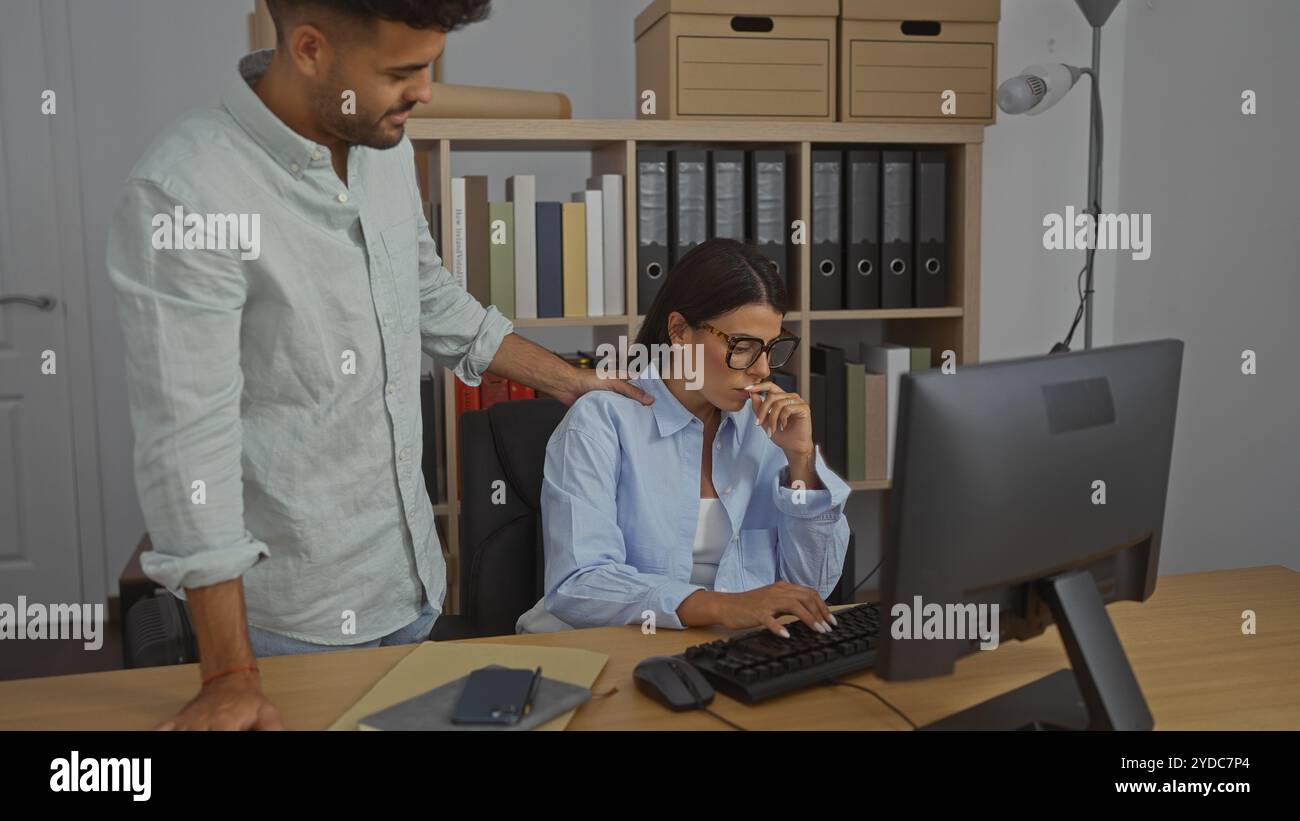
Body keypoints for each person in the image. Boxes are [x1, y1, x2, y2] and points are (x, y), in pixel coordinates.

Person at [106, 0, 648, 730]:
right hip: (290, 626)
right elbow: (185, 452)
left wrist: (570, 380)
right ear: (308, 49)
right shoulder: (187, 192)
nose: (425, 90)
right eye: (404, 71)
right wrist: (231, 675)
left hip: (413, 584)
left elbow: (425, 293)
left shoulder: (381, 142)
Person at [517, 238, 850, 637]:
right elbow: (581, 583)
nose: (763, 370)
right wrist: (724, 607)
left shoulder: (770, 430)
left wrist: (801, 462)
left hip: (734, 651)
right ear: (679, 331)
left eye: (771, 348)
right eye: (742, 347)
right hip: (614, 651)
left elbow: (813, 587)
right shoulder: (600, 422)